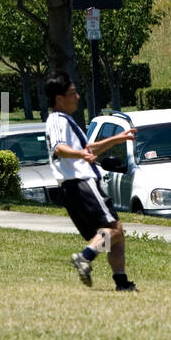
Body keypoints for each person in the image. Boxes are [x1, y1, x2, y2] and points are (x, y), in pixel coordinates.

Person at [43, 71, 138, 291]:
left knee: (115, 232)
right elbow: (60, 148)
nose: (77, 97)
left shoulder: (66, 121)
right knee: (113, 229)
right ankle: (85, 257)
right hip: (81, 183)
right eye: (72, 93)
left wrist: (118, 138)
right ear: (59, 98)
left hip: (79, 185)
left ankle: (122, 283)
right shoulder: (57, 120)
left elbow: (87, 149)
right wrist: (82, 156)